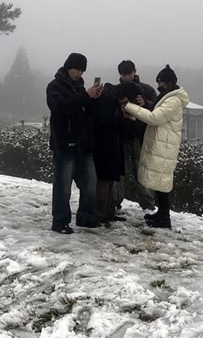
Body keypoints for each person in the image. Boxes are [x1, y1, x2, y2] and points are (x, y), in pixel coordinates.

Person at [121, 64, 189, 229]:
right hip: (161, 144)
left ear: (170, 83)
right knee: (160, 181)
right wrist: (138, 110)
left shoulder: (173, 100)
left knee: (163, 181)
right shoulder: (166, 97)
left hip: (164, 146)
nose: (159, 86)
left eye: (161, 82)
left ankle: (164, 217)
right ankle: (162, 214)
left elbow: (153, 117)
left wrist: (129, 106)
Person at [46, 52, 103, 234]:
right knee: (63, 186)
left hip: (84, 144)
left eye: (82, 70)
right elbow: (60, 108)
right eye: (77, 69)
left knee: (90, 183)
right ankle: (60, 222)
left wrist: (94, 99)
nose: (80, 73)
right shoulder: (54, 86)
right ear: (68, 67)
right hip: (64, 144)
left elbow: (86, 112)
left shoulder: (81, 88)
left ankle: (86, 217)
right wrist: (86, 96)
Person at [114, 60, 158, 217]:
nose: (127, 77)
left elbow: (157, 109)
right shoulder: (116, 90)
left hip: (140, 136)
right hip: (121, 135)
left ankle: (148, 204)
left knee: (142, 170)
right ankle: (115, 202)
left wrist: (145, 103)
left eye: (129, 73)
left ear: (135, 71)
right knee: (118, 172)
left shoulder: (145, 89)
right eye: (124, 74)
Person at [90, 82, 126, 227]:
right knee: (105, 182)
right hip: (106, 147)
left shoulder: (108, 98)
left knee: (107, 181)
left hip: (105, 147)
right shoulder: (108, 100)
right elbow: (108, 122)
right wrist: (122, 118)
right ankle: (102, 214)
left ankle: (106, 212)